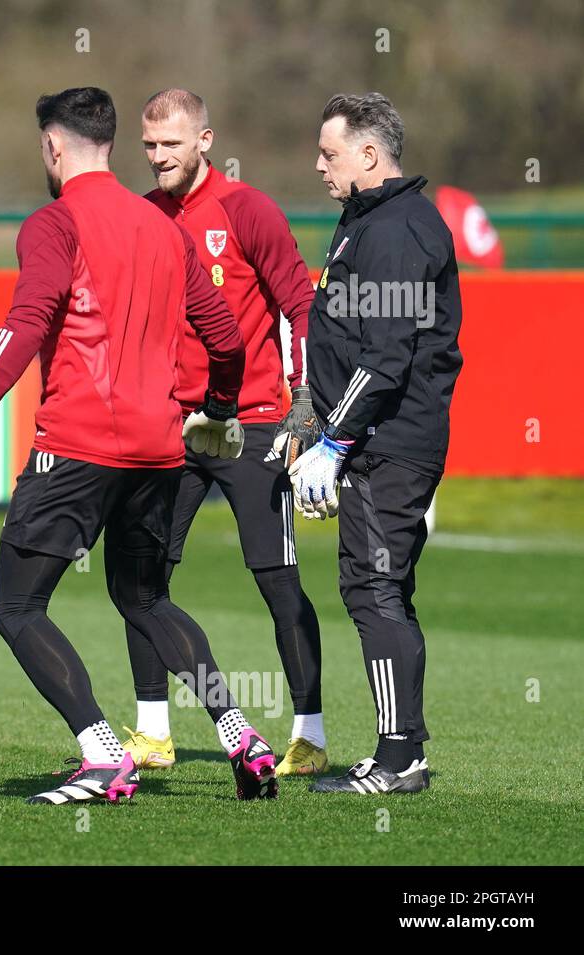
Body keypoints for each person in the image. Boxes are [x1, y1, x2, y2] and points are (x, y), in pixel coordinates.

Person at [0, 87, 278, 804]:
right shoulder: (161, 228)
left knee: (15, 607)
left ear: (54, 147)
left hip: (78, 445)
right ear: (111, 144)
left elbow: (26, 324)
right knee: (144, 599)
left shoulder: (55, 223)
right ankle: (241, 733)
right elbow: (227, 336)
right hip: (157, 449)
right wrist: (215, 410)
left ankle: (102, 753)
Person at [128, 88, 326, 776]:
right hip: (169, 429)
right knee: (143, 576)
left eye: (171, 144)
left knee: (276, 580)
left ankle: (310, 732)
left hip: (254, 424)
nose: (158, 157)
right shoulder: (142, 217)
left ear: (205, 142)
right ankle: (153, 732)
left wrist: (305, 398)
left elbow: (301, 304)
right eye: (150, 146)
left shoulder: (249, 211)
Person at [292, 93, 463, 794]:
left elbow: (388, 355)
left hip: (389, 440)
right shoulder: (364, 221)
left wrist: (333, 442)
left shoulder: (394, 228)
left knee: (373, 586)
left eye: (330, 153)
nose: (320, 166)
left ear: (369, 153)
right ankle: (401, 750)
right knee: (380, 586)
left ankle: (399, 761)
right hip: (376, 436)